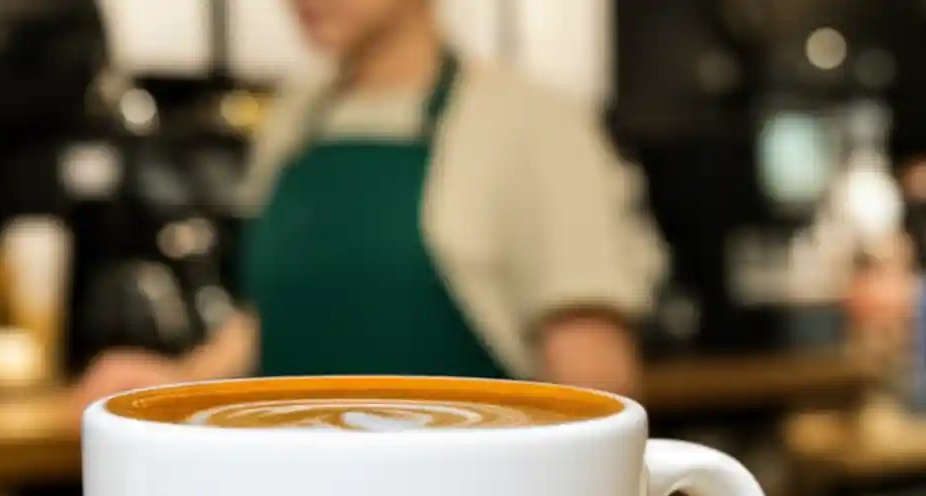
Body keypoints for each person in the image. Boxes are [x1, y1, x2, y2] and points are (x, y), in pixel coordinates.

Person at [75, 0, 663, 406]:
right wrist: (176, 386)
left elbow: (597, 387)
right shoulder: (296, 119)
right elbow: (277, 321)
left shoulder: (533, 126)